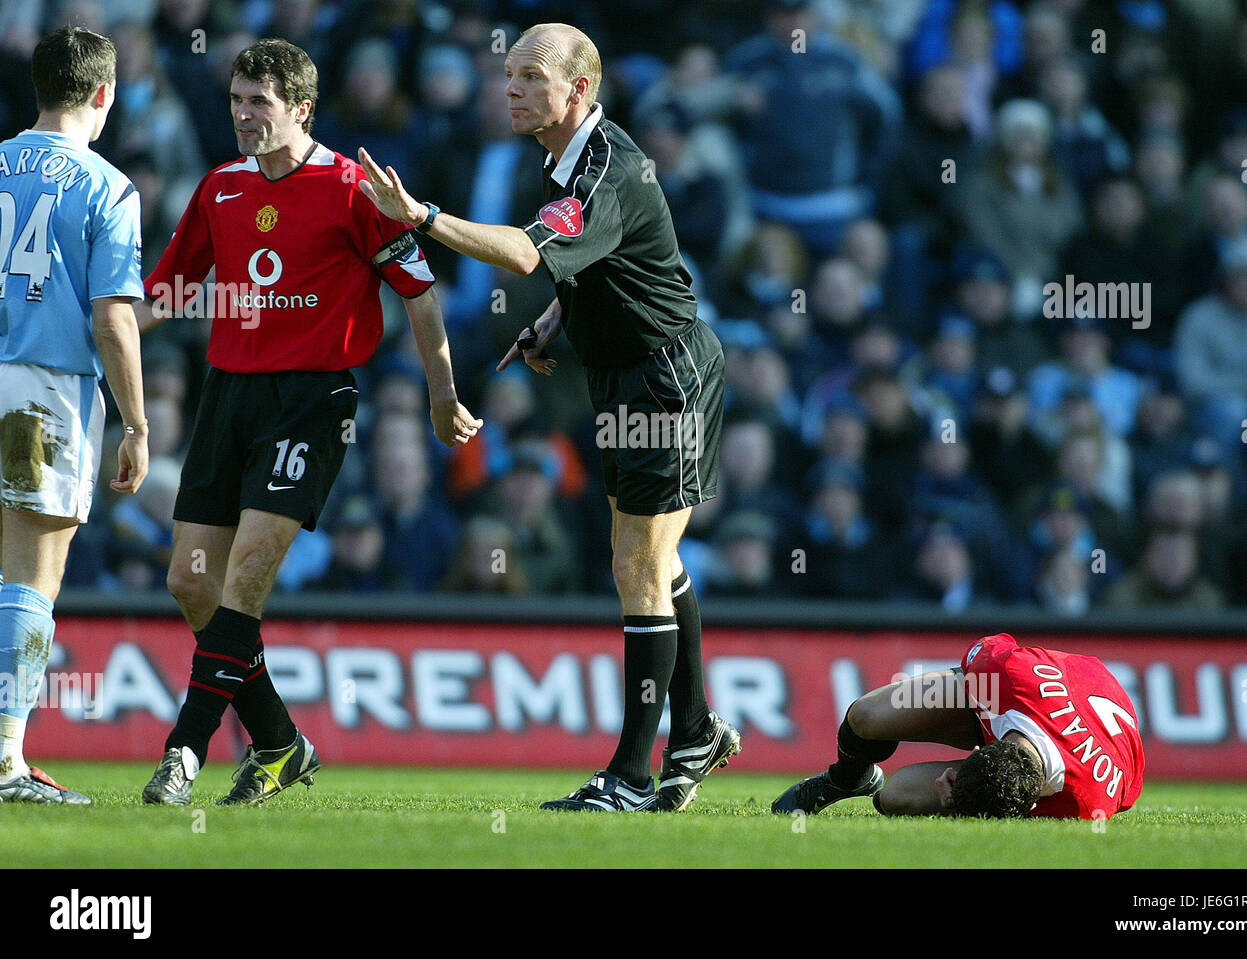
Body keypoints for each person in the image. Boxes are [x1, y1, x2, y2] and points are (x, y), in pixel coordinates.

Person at [358, 22, 737, 812]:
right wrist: (554, 322)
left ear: (579, 90)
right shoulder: (566, 159)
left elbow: (531, 255)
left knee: (635, 561)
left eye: (531, 76)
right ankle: (694, 727)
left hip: (664, 375)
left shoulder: (605, 168)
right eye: (509, 75)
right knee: (652, 559)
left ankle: (633, 774)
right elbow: (599, 263)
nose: (512, 89)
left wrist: (422, 217)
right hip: (626, 372)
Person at [137, 38, 479, 806]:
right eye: (235, 100)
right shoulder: (220, 187)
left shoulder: (353, 188)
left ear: (301, 108)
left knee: (247, 576)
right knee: (192, 583)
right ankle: (282, 743)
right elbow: (170, 291)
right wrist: (106, 340)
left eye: (259, 102)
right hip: (227, 395)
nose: (243, 116)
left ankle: (181, 753)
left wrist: (439, 395)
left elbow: (420, 293)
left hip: (313, 401)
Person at [0, 26, 149, 804]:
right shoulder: (105, 185)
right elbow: (113, 319)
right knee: (30, 574)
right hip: (42, 390)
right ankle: (5, 762)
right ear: (103, 94)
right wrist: (139, 422)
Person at [772, 632, 1145, 819]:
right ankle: (844, 778)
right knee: (866, 716)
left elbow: (1129, 790)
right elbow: (989, 647)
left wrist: (964, 805)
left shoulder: (1083, 800)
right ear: (981, 750)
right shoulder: (1003, 673)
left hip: (1044, 717)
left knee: (893, 796)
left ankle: (878, 787)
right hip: (1004, 693)